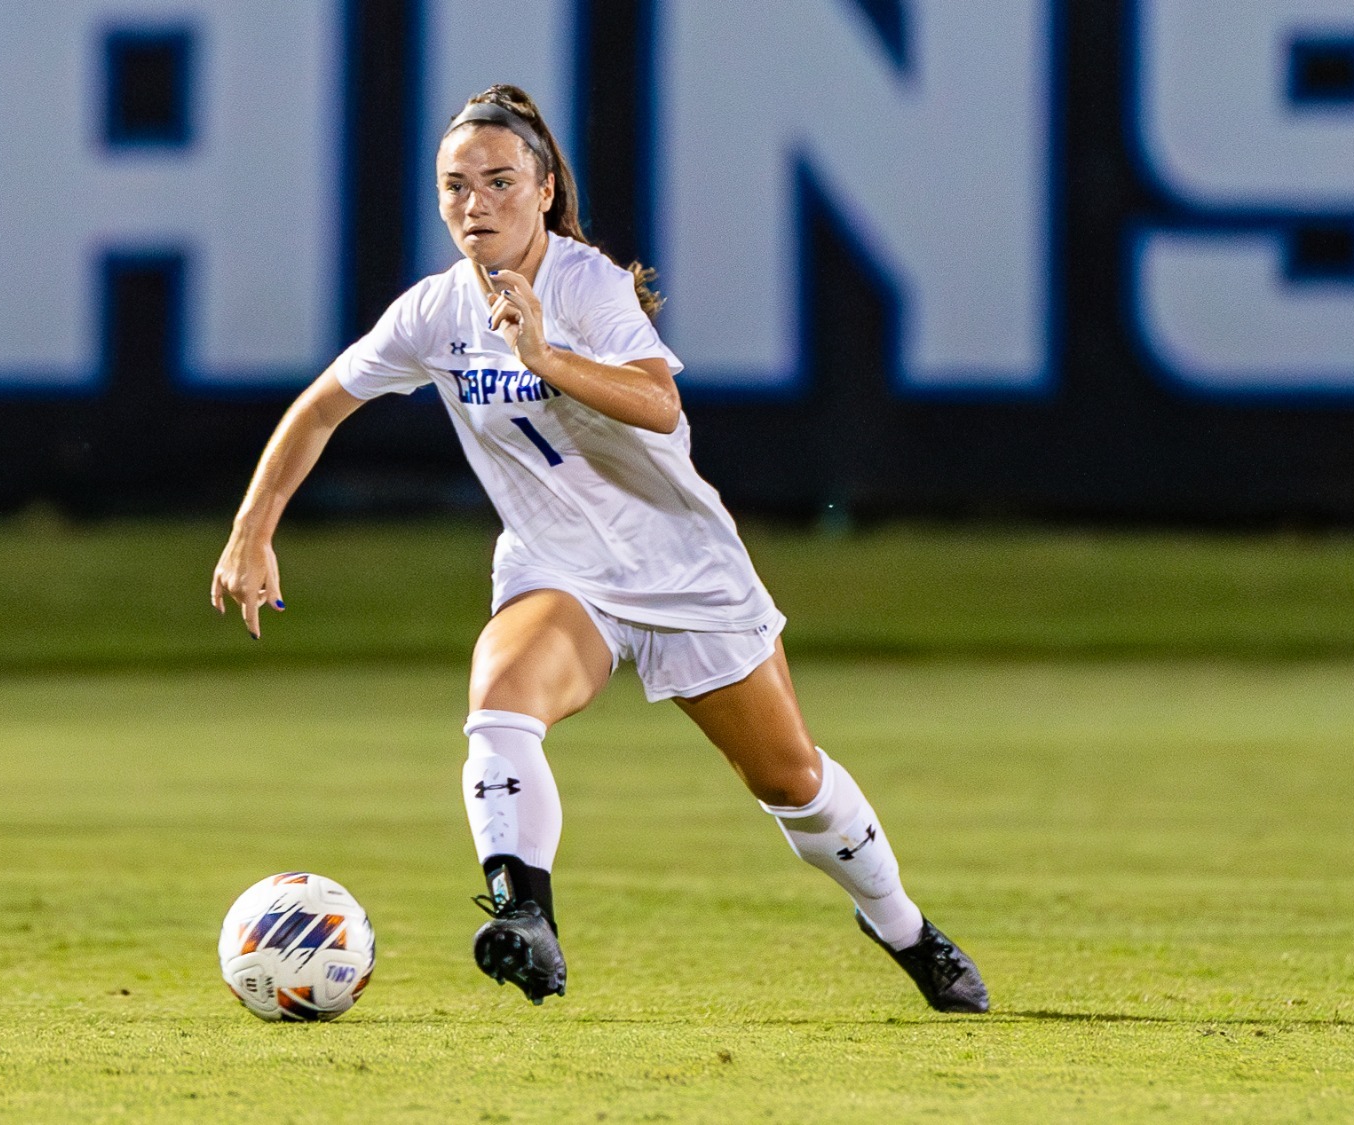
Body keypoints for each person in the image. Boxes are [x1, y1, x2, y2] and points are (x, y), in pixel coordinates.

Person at [211, 85, 987, 1013]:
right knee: (499, 699)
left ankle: (903, 926)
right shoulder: (435, 311)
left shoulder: (587, 285)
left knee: (793, 780)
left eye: (500, 182)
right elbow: (325, 401)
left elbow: (661, 404)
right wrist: (253, 530)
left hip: (684, 573)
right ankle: (523, 913)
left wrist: (545, 356)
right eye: (455, 186)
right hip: (558, 569)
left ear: (543, 191)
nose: (476, 204)